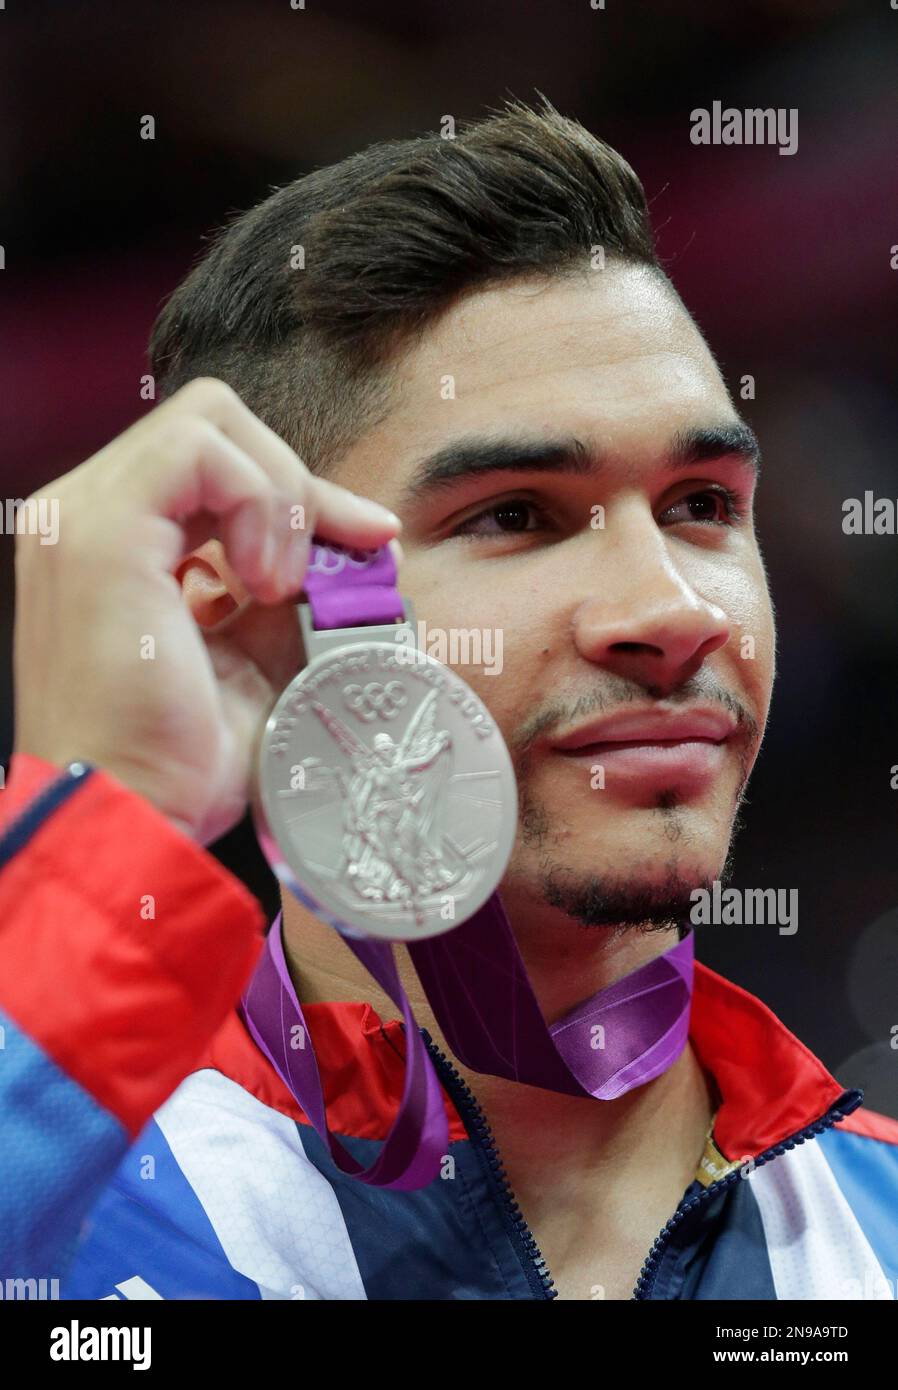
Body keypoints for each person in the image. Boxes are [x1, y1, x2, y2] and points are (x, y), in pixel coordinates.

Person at [3, 96, 897, 1303]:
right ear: (247, 604)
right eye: (513, 515)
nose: (676, 608)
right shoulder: (70, 1226)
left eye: (701, 506)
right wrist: (112, 820)